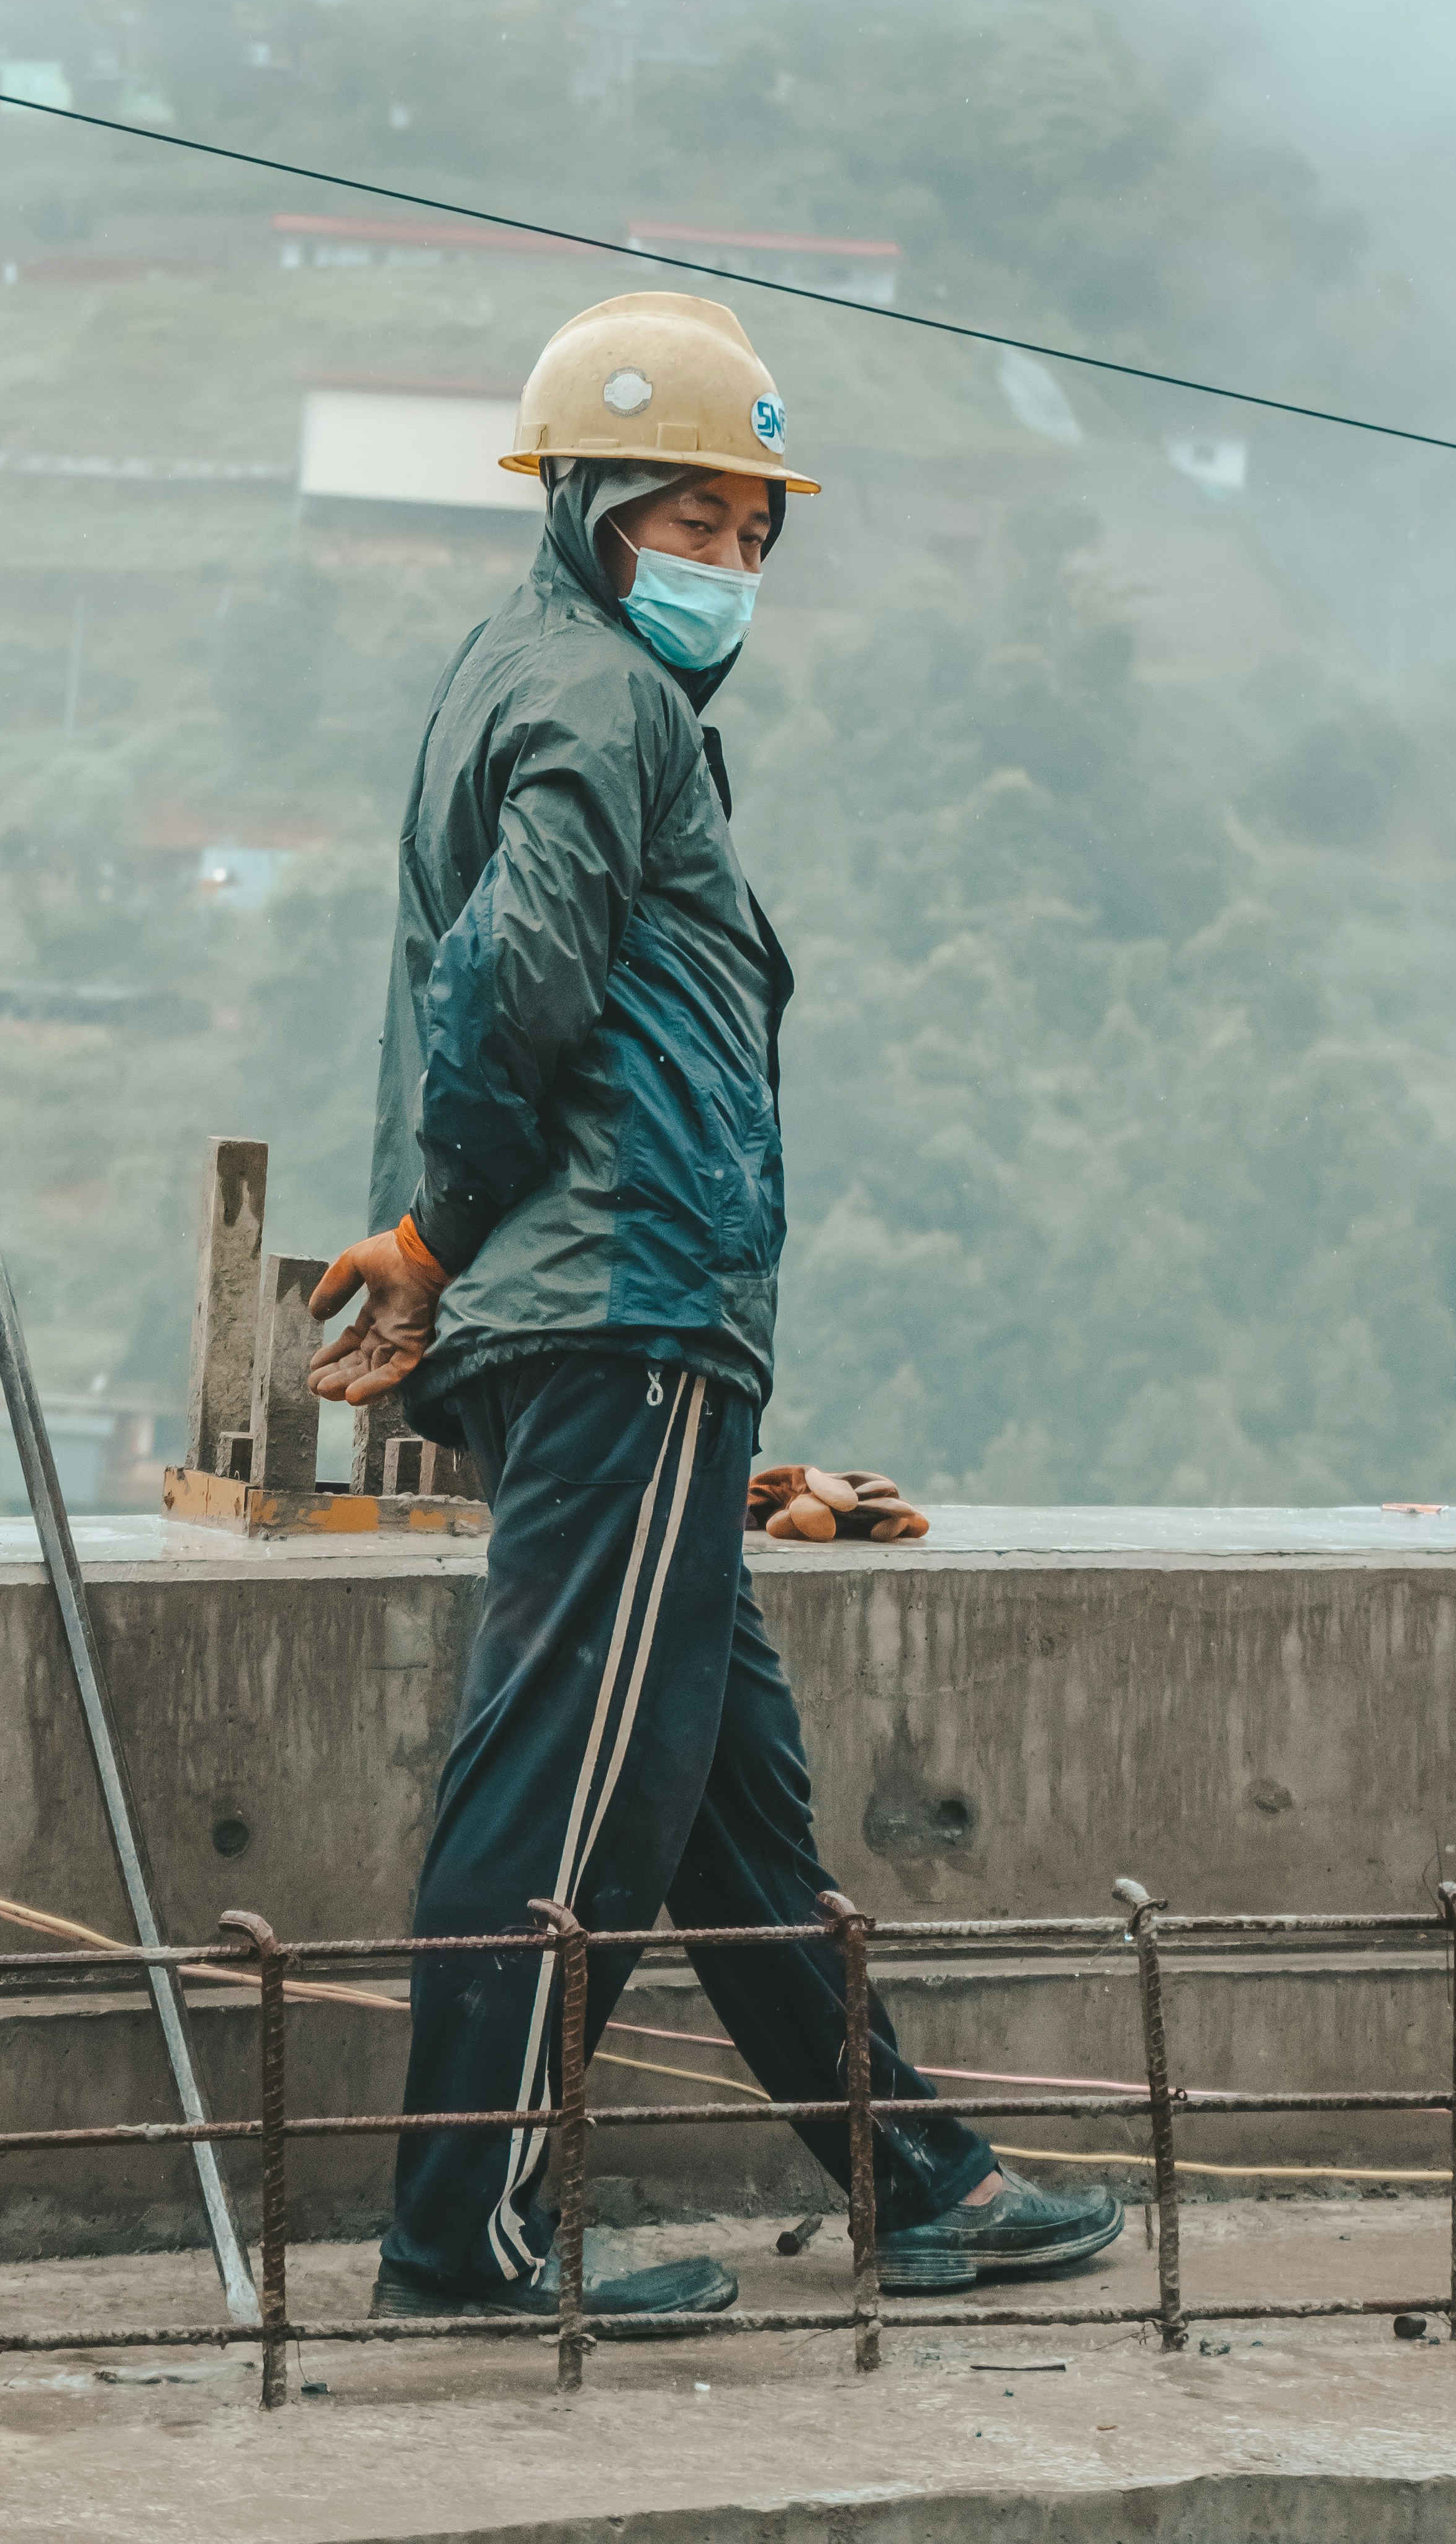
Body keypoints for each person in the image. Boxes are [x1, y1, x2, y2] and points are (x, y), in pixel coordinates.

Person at [309, 291, 1124, 2320]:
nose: (726, 562)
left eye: (755, 532)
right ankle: (461, 2239)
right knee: (569, 1770)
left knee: (716, 1791)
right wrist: (433, 1230)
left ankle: (916, 2180)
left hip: (624, 1312)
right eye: (690, 517)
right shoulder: (601, 703)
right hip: (617, 1313)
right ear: (586, 510)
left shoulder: (535, 679)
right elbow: (512, 985)